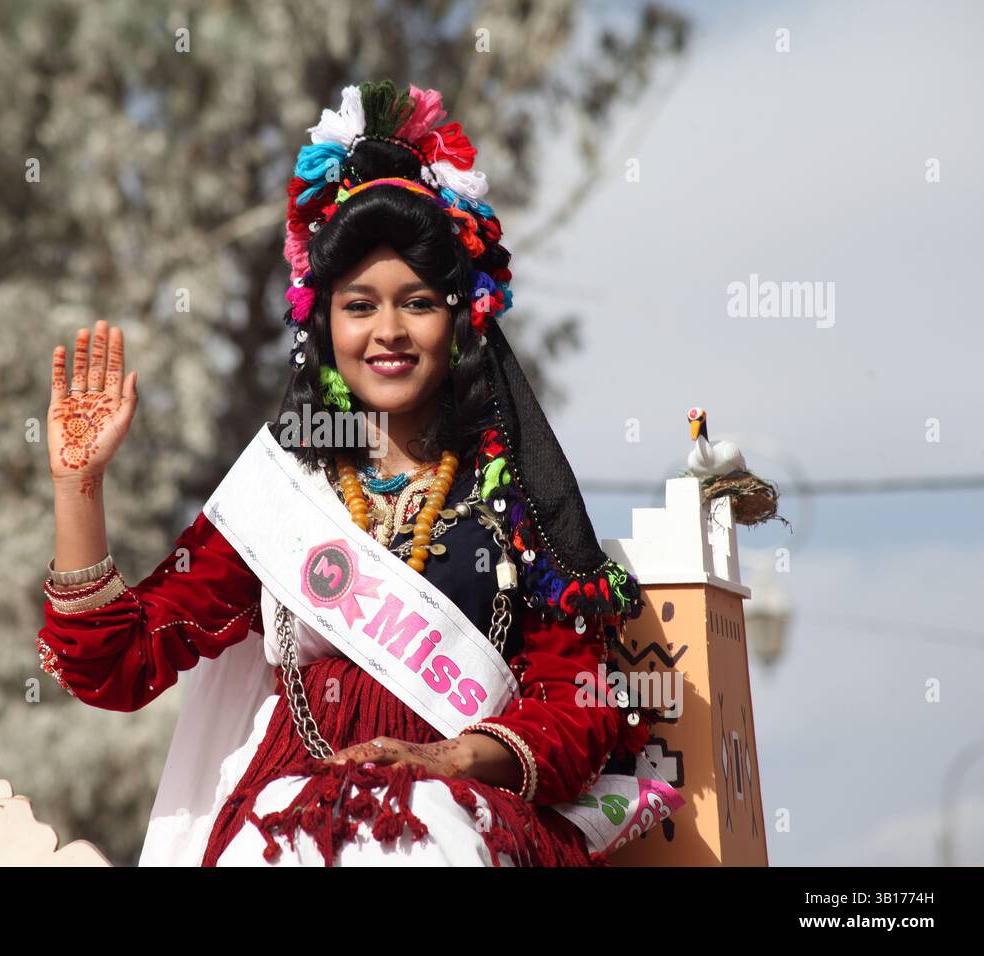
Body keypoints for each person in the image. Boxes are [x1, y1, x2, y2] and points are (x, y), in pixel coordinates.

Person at [36, 81, 661, 867]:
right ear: (323, 322)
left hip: (463, 815)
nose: (389, 332)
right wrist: (79, 488)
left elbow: (580, 700)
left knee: (417, 837)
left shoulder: (507, 495)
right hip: (285, 819)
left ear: (460, 318)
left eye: (419, 303)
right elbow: (116, 664)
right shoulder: (285, 497)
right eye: (359, 305)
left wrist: (456, 759)